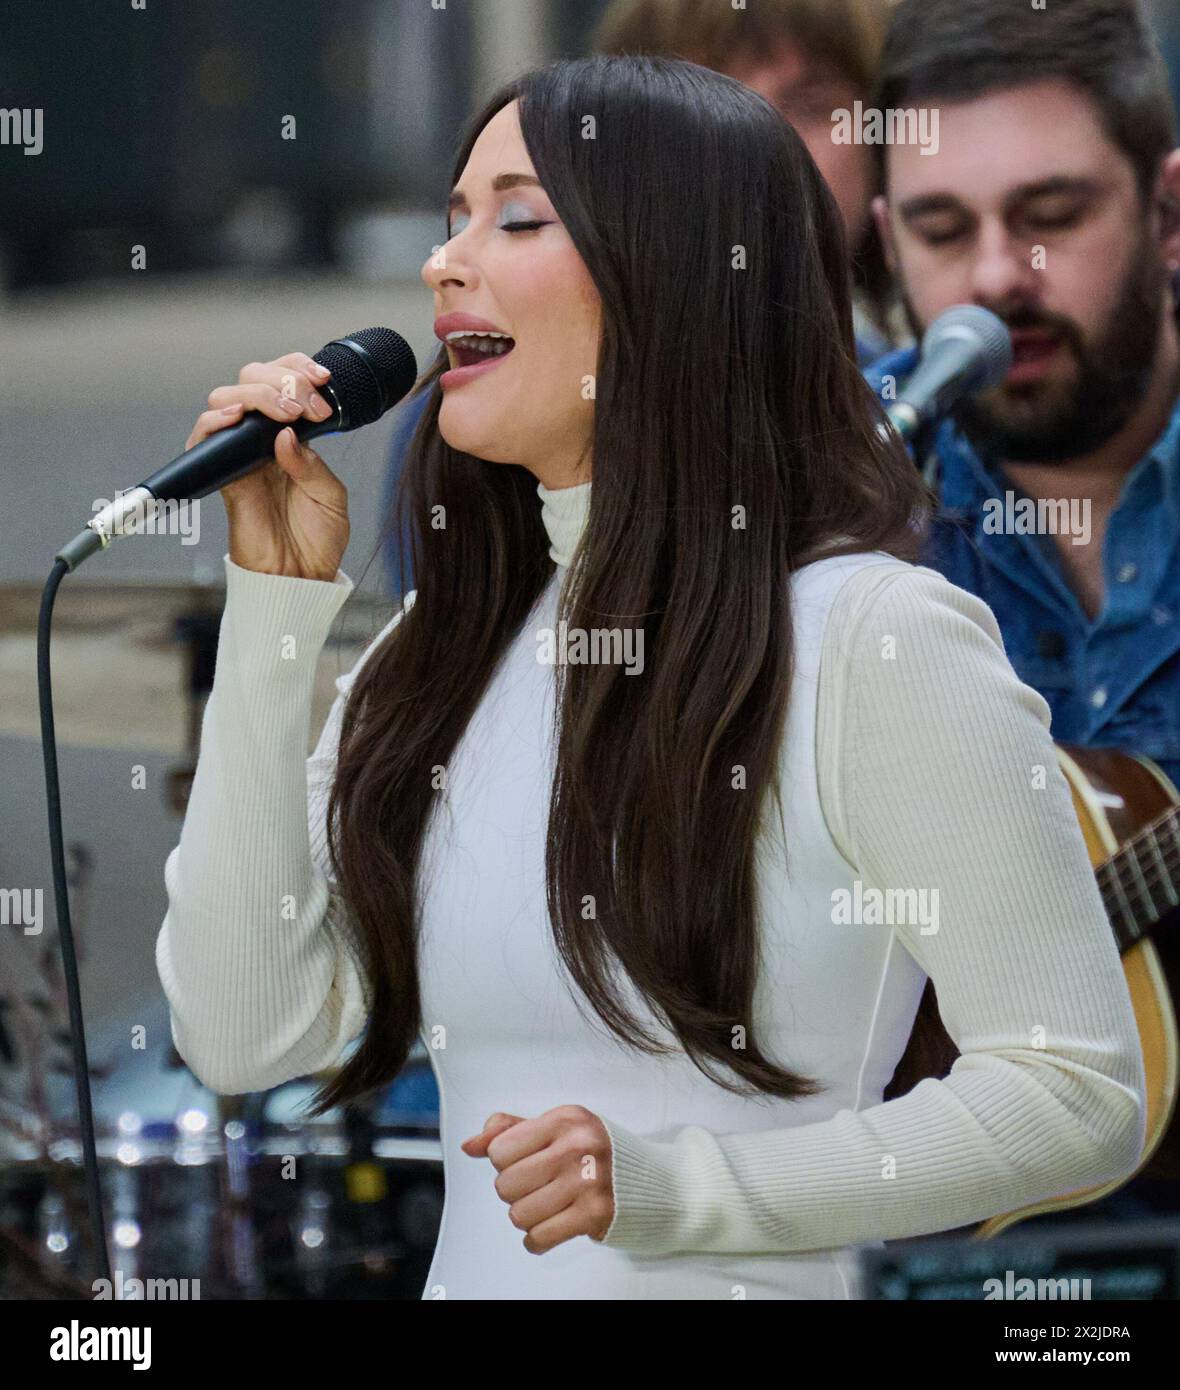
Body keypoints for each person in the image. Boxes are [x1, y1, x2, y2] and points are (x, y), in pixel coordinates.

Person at [156, 56, 1144, 1300]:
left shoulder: (879, 640)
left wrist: (685, 1190)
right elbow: (243, 1031)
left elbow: (1074, 1091)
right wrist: (273, 609)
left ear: (675, 270)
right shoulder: (434, 656)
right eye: (450, 218)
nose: (444, 263)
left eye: (517, 217)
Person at [864, 0, 1180, 1219]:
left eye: (1052, 217)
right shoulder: (817, 485)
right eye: (944, 230)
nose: (995, 280)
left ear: (1165, 214)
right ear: (887, 242)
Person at [382, 0, 904, 593]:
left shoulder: (931, 410)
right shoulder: (471, 411)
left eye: (811, 106)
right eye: (707, 97)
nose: (761, 138)